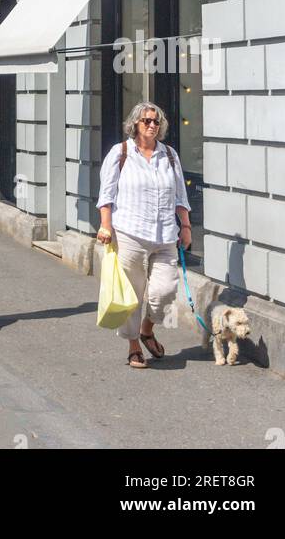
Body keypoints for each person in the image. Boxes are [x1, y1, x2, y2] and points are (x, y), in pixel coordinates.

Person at [96, 102, 192, 369]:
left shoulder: (170, 155)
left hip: (165, 236)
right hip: (130, 232)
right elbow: (107, 194)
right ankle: (134, 346)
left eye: (156, 122)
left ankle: (147, 329)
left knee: (164, 292)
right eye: (146, 121)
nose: (152, 125)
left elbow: (180, 197)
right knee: (133, 295)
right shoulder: (121, 153)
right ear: (135, 125)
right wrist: (105, 225)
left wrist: (185, 226)